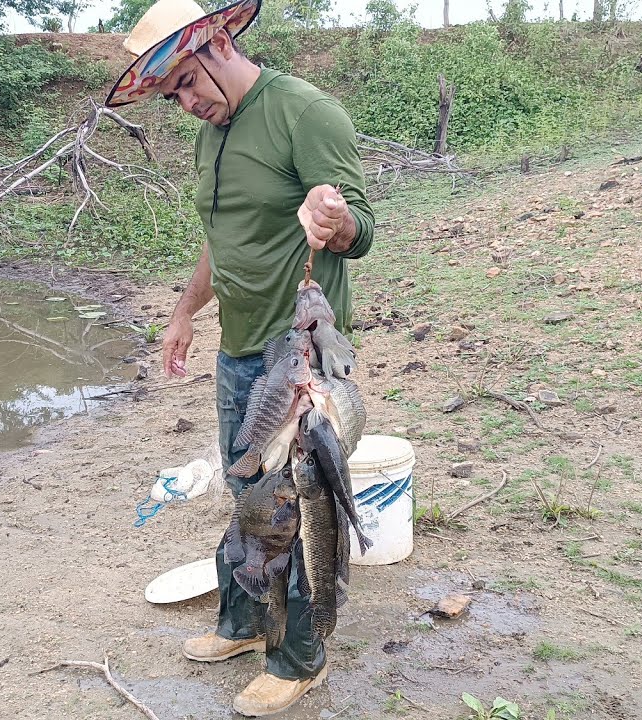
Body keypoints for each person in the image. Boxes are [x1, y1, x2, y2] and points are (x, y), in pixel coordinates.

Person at [104, 0, 374, 715]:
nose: (187, 103)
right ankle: (247, 623)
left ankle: (300, 656)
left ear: (220, 40)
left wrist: (334, 218)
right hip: (240, 351)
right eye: (173, 95)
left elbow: (360, 227)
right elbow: (222, 235)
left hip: (300, 365)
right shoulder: (212, 132)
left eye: (188, 83)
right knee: (245, 492)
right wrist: (186, 309)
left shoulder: (303, 113)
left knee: (295, 508)